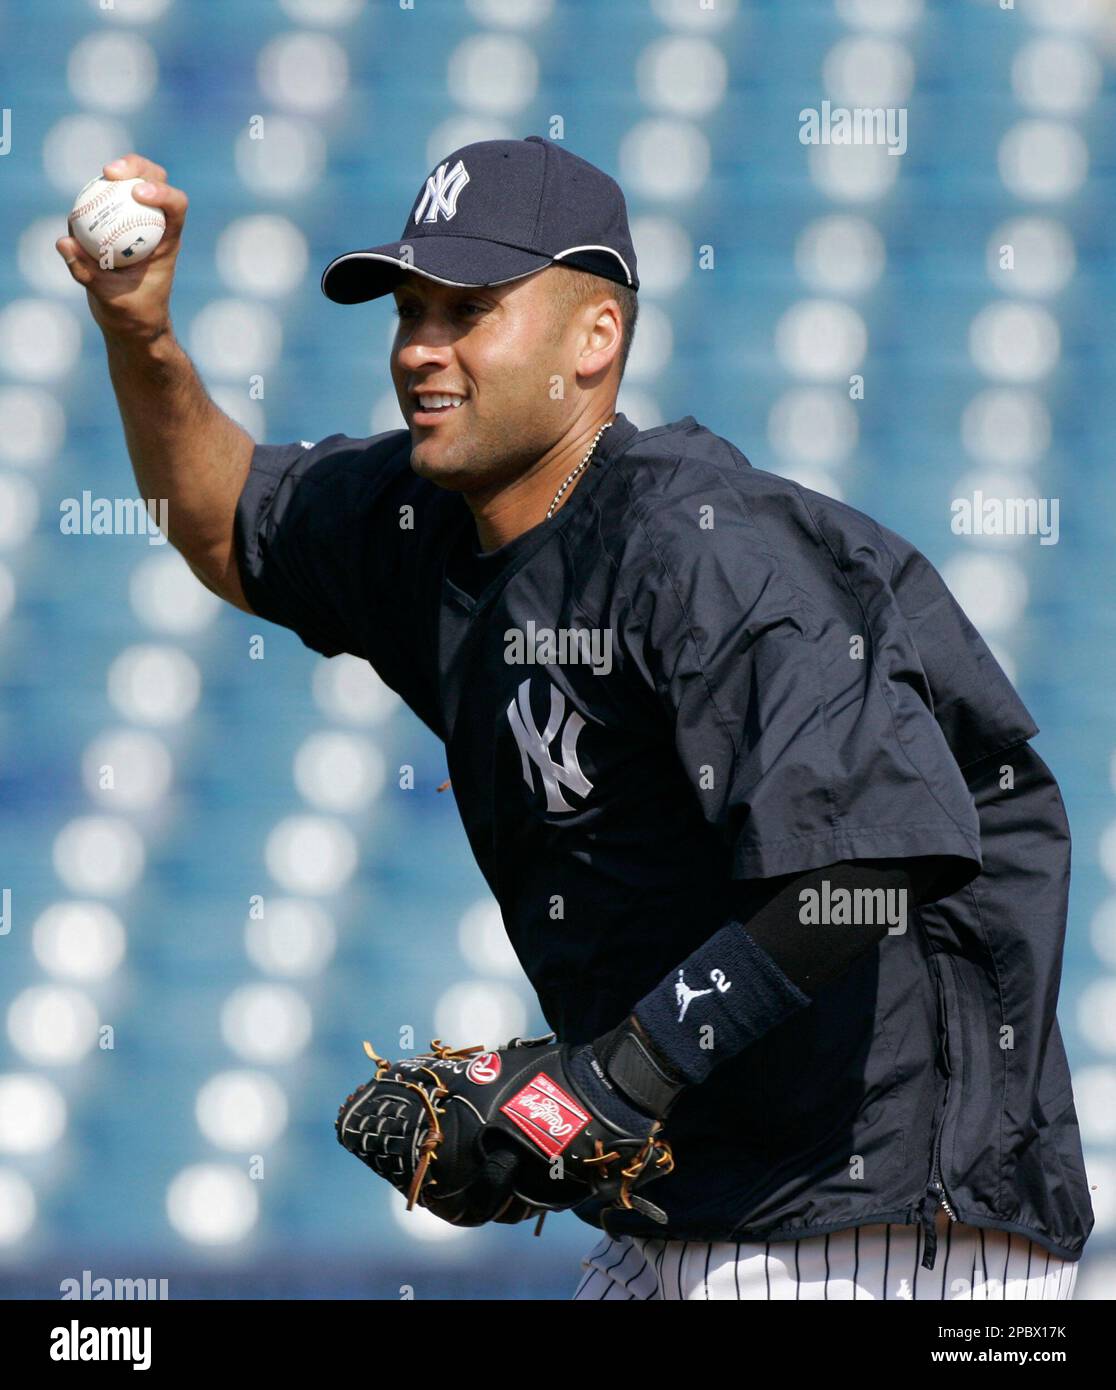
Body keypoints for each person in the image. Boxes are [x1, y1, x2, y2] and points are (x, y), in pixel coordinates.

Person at [58, 136, 1093, 1301]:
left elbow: (873, 859)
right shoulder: (429, 527)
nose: (420, 350)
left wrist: (609, 1083)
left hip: (879, 1223)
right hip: (692, 1212)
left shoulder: (706, 550)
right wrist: (138, 335)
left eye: (471, 310)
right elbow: (223, 521)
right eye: (409, 312)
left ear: (594, 339)